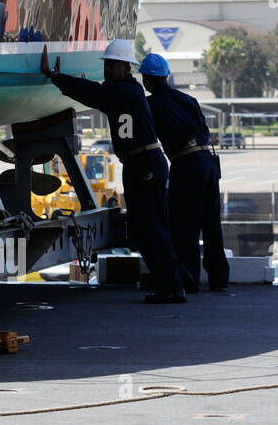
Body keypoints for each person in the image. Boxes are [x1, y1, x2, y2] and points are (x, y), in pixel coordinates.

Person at [40, 39, 191, 303]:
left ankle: (172, 286)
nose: (108, 69)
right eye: (107, 65)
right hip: (139, 162)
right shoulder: (125, 90)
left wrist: (59, 79)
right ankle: (173, 282)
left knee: (151, 228)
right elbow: (97, 93)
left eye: (112, 65)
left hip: (143, 163)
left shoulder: (125, 92)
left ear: (125, 67)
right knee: (146, 228)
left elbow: (94, 95)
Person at [140, 53, 229, 291]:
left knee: (185, 226)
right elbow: (203, 130)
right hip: (209, 163)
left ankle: (189, 279)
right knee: (211, 224)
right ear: (166, 75)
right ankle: (219, 280)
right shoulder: (188, 99)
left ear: (146, 80)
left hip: (186, 165)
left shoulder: (150, 105)